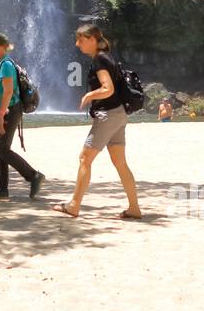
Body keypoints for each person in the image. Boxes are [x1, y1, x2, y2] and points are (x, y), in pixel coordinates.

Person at [51, 25, 142, 219]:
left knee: (85, 158)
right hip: (119, 114)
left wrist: (89, 96)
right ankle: (134, 208)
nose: (77, 44)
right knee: (120, 163)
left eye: (81, 40)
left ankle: (74, 205)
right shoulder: (107, 56)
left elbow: (107, 89)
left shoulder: (100, 59)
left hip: (108, 115)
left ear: (92, 39)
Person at [0, 33, 44, 199]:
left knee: (1, 149)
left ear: (1, 46)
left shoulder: (6, 65)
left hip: (9, 111)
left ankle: (33, 176)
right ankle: (1, 188)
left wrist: (0, 116)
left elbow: (8, 92)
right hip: (2, 110)